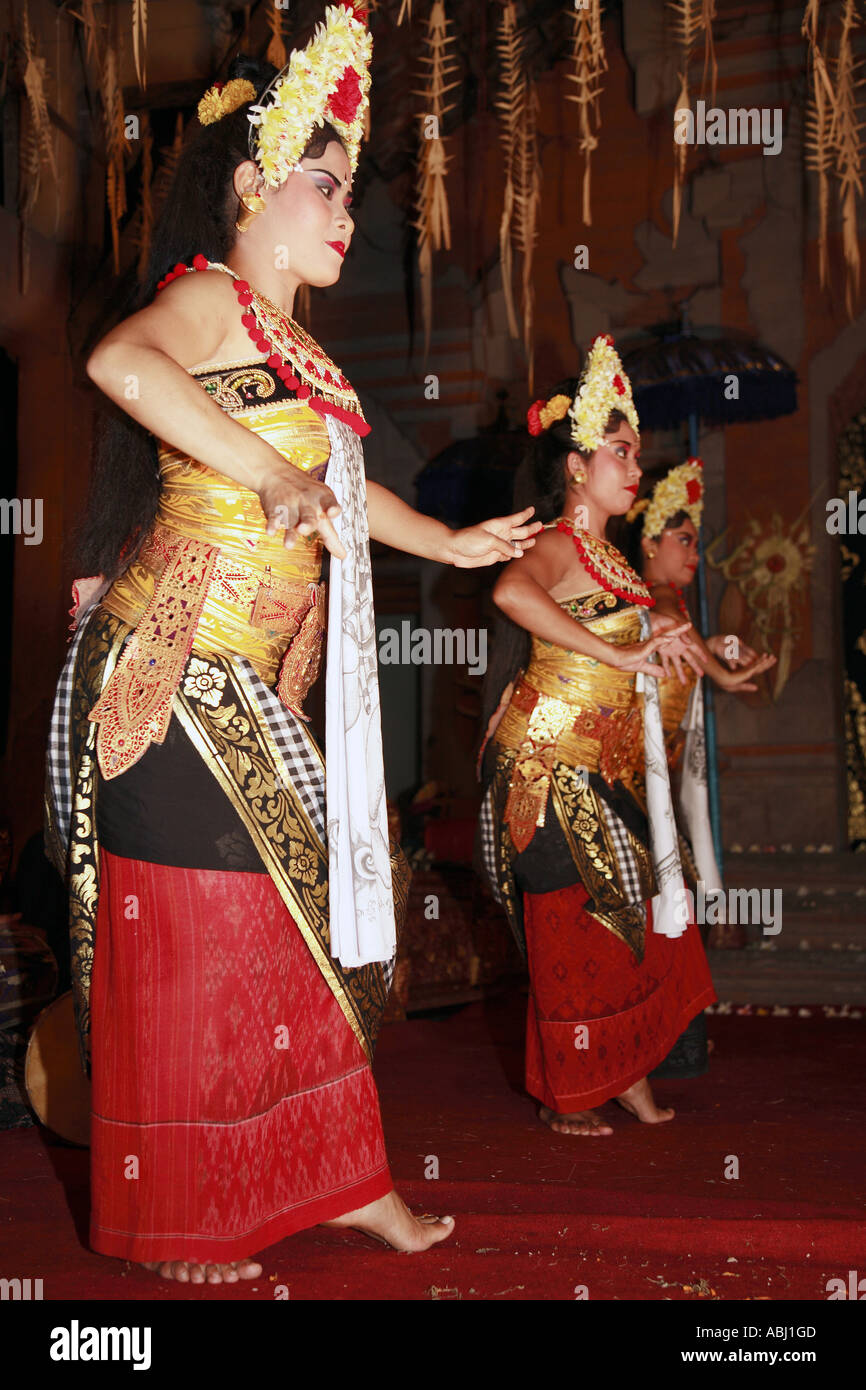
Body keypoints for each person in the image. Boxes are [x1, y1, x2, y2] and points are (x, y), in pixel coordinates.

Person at [44, 6, 541, 1285]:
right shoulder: (203, 302)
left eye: (349, 192)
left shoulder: (304, 355)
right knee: (204, 931)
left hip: (250, 688)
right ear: (253, 185)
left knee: (304, 935)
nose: (344, 214)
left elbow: (345, 489)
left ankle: (341, 1178)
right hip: (170, 676)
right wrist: (267, 471)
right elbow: (118, 366)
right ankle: (189, 1209)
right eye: (324, 184)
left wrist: (449, 538)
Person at [477, 335, 717, 1138]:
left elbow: (645, 635)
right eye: (620, 452)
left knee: (637, 910)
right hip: (545, 764)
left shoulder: (613, 562)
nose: (633, 467)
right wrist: (619, 650)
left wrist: (677, 650)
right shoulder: (556, 543)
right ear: (577, 466)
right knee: (577, 920)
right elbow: (511, 592)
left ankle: (625, 1075)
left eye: (635, 453)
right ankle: (569, 1090)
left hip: (604, 764)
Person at [625, 461, 775, 981]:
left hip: (657, 786)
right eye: (683, 540)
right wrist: (721, 674)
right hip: (640, 788)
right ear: (650, 543)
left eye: (695, 542)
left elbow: (682, 639)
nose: (693, 553)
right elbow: (675, 631)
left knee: (678, 897)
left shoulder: (663, 606)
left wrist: (712, 651)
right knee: (674, 896)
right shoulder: (655, 602)